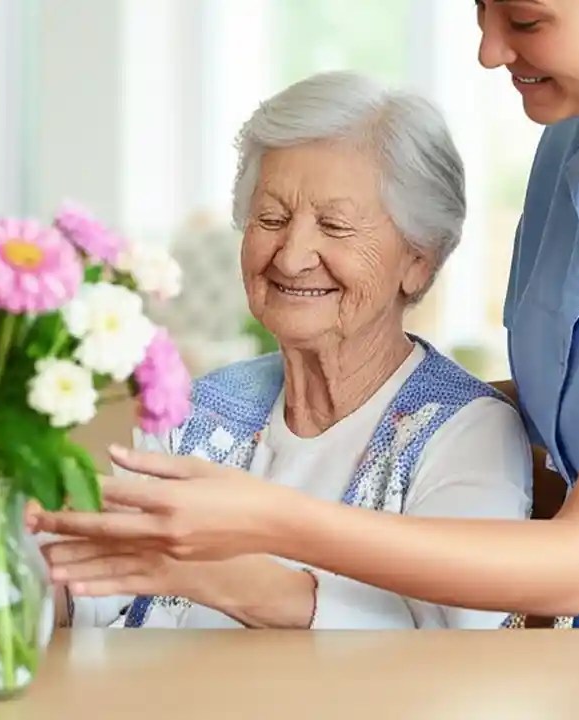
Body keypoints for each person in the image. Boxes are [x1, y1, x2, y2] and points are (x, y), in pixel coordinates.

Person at [30, 0, 579, 628]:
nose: (490, 52)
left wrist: (262, 518)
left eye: (526, 19)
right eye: (480, 11)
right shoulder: (574, 148)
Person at [37, 70, 543, 630]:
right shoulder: (197, 410)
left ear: (419, 259)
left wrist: (212, 576)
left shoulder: (464, 431)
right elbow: (97, 586)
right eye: (271, 219)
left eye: (334, 225)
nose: (292, 255)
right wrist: (25, 562)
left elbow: (460, 637)